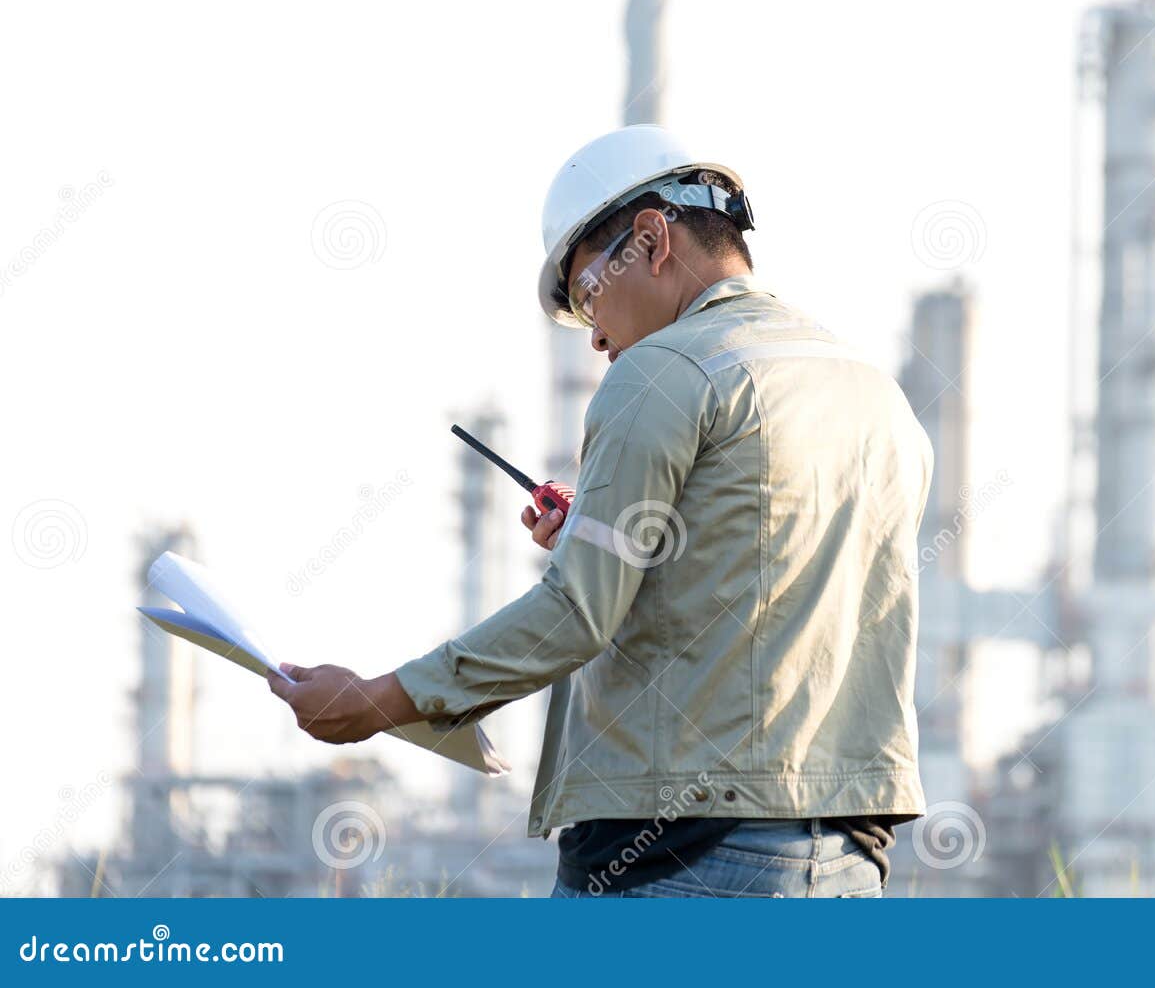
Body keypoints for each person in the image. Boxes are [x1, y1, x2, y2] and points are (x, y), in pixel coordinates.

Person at [269, 125, 933, 898]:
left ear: (651, 240)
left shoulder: (663, 371)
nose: (595, 337)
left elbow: (576, 615)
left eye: (587, 294)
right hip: (849, 856)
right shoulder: (876, 394)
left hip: (681, 857)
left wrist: (379, 700)